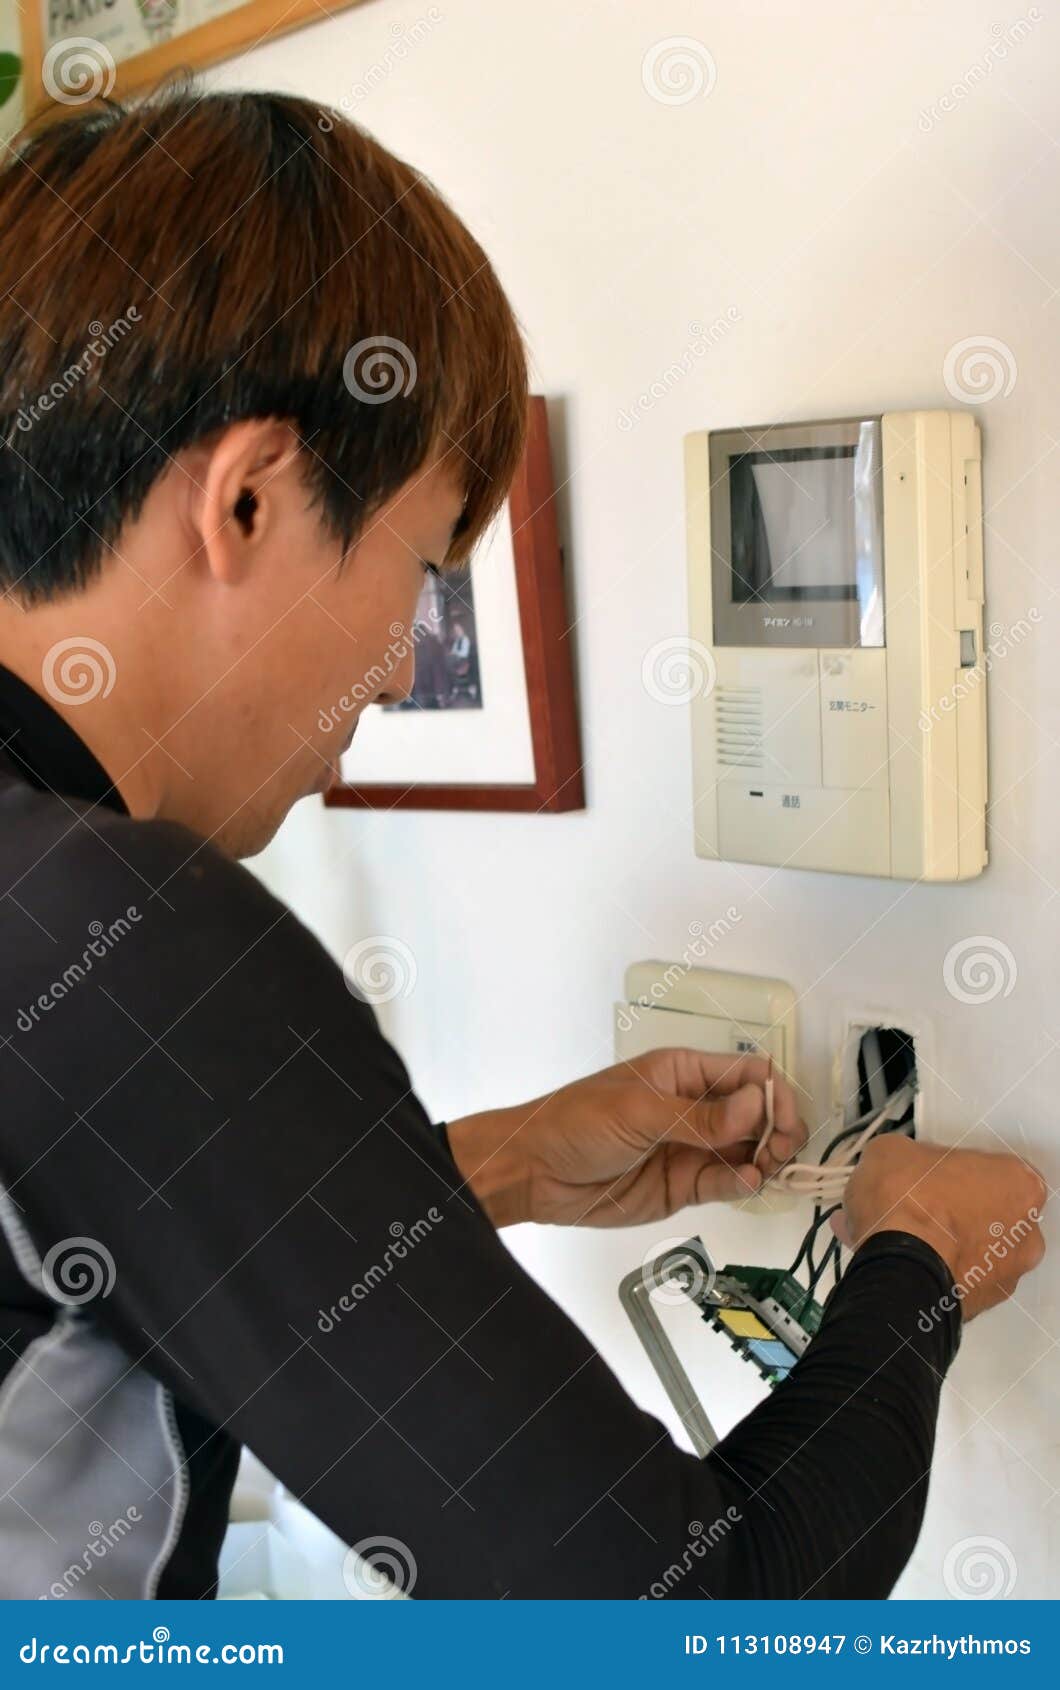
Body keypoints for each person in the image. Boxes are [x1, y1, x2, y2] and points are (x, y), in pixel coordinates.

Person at [0, 81, 1045, 1602]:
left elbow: (85, 1233)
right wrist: (920, 1271)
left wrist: (496, 1166)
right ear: (247, 499)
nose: (402, 660)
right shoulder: (115, 934)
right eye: (420, 570)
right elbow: (689, 1616)